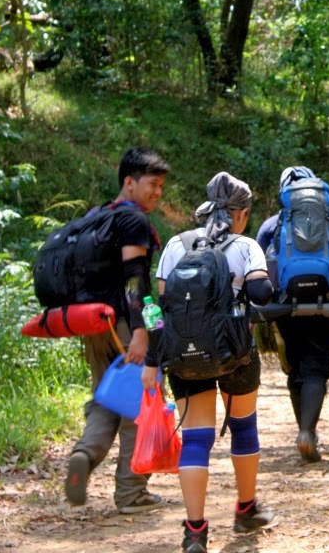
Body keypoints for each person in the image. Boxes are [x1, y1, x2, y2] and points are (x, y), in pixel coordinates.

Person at [143, 172, 275, 553]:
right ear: (243, 213)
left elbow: (160, 309)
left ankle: (195, 531)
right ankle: (246, 508)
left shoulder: (175, 245)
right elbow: (262, 293)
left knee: (196, 440)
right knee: (244, 429)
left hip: (183, 357)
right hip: (235, 353)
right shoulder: (246, 245)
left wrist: (155, 360)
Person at [64, 147, 170, 514]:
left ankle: (85, 453)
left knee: (107, 398)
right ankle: (131, 492)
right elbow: (134, 280)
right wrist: (143, 332)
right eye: (153, 184)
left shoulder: (96, 217)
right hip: (125, 325)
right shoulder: (133, 222)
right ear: (129, 182)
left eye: (161, 186)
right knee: (141, 403)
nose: (158, 192)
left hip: (94, 326)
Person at [256, 166, 329, 463]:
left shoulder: (272, 225)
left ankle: (305, 430)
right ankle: (307, 432)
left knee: (296, 368)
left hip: (285, 307)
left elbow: (255, 269)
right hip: (327, 305)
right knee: (317, 366)